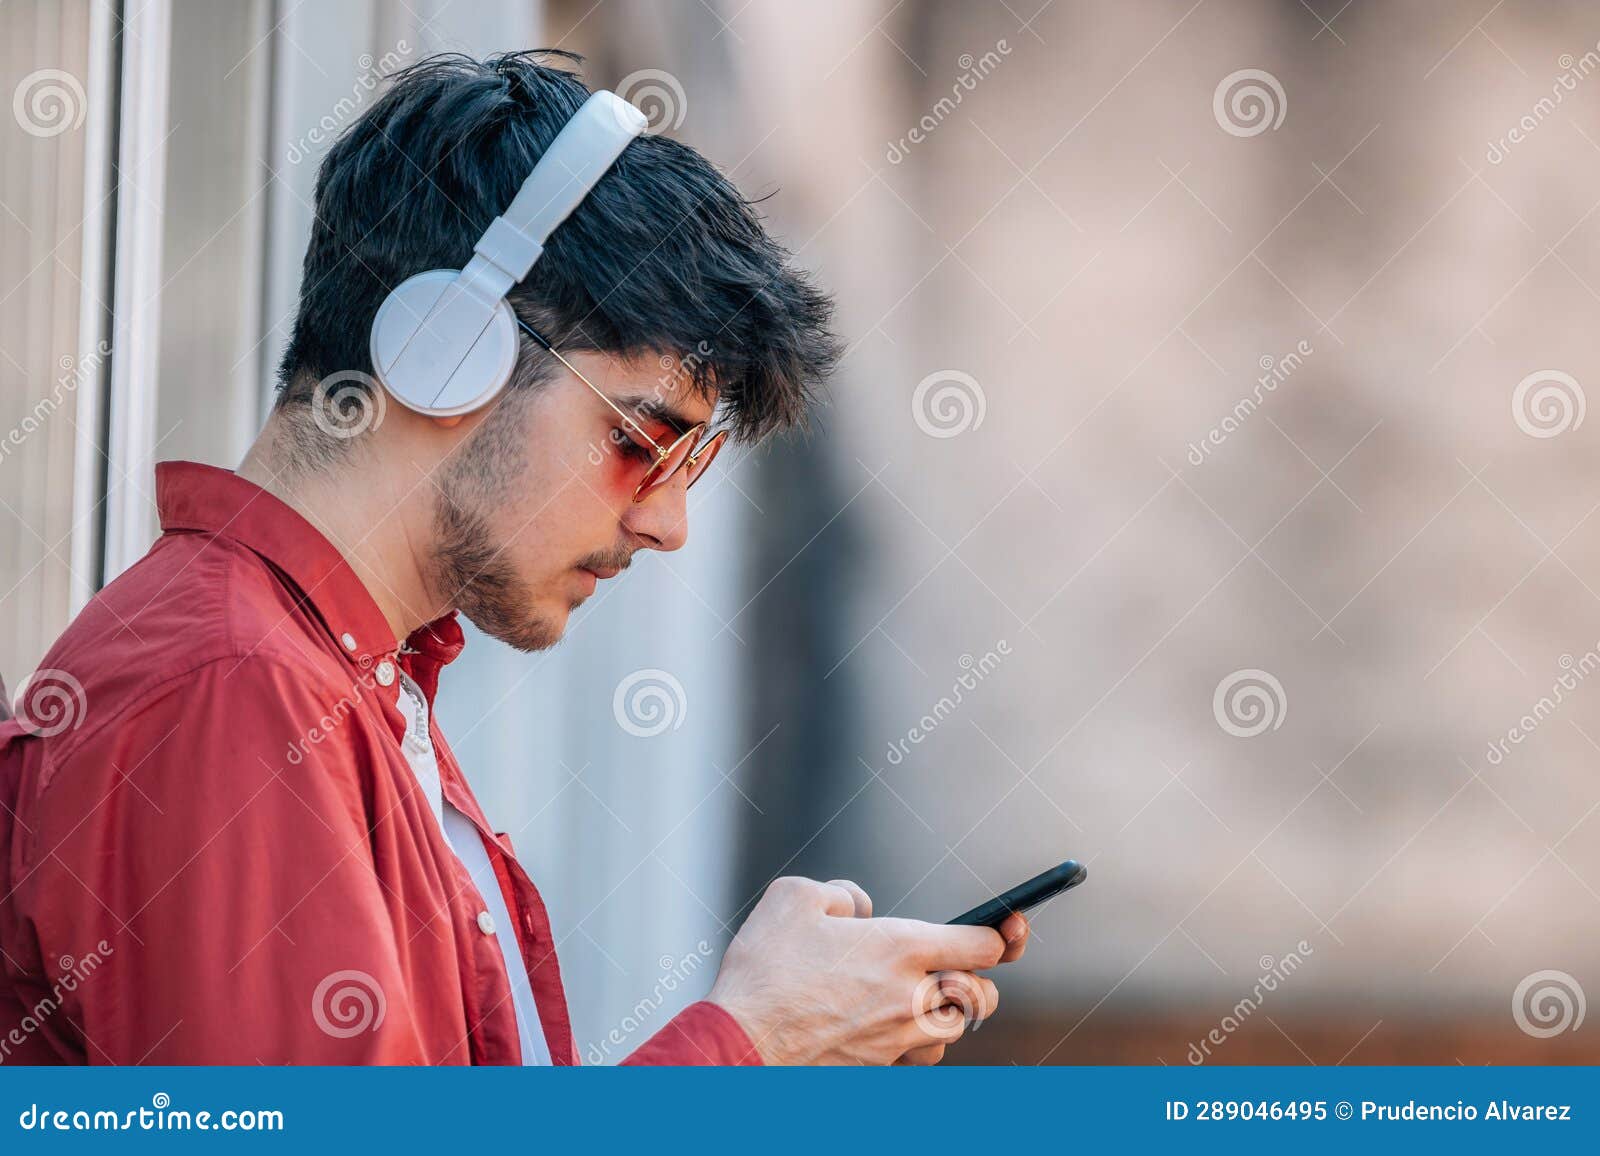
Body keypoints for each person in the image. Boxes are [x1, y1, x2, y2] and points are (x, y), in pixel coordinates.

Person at [0, 50, 1026, 1066]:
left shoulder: (337, 683)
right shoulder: (233, 693)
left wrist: (786, 1048)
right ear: (445, 349)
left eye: (693, 463)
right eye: (639, 440)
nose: (668, 524)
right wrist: (752, 1042)